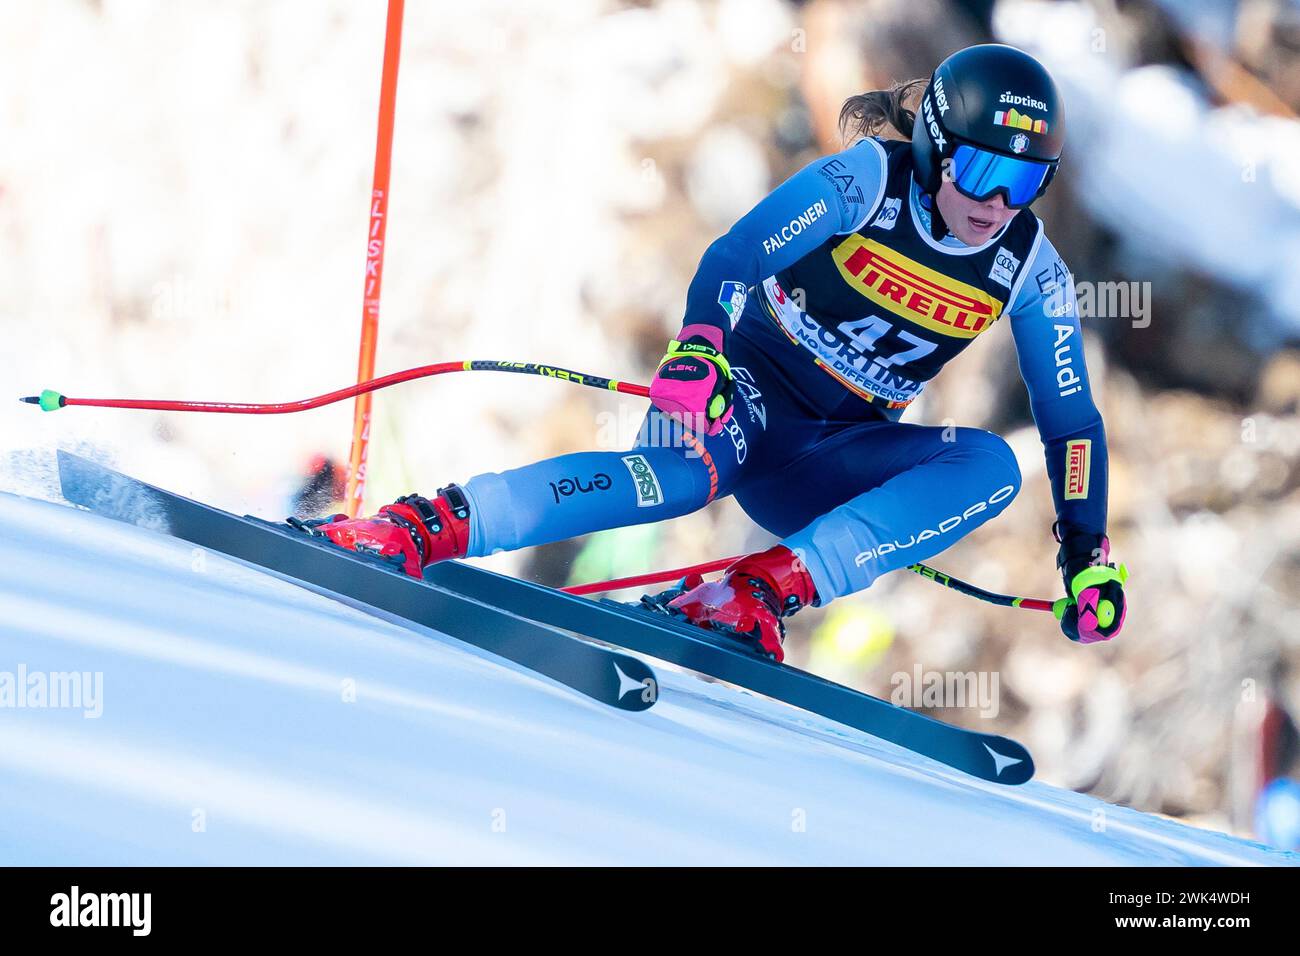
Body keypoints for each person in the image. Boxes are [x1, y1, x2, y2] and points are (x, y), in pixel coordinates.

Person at [301, 44, 1128, 662]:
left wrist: (1085, 553)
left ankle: (759, 589)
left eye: (1024, 182)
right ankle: (422, 526)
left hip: (831, 459)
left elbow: (1072, 425)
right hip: (749, 398)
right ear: (936, 147)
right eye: (981, 170)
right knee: (672, 482)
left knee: (988, 465)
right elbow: (737, 258)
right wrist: (698, 355)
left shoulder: (1032, 269)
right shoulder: (864, 184)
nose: (995, 203)